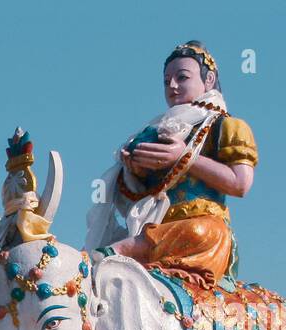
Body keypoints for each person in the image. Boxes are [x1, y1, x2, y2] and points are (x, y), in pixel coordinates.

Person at [85, 41, 258, 288]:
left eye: (182, 77)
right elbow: (141, 198)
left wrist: (184, 157)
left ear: (208, 80)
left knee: (201, 232)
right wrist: (133, 171)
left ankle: (121, 251)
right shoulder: (160, 130)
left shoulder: (226, 126)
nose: (173, 86)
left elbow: (241, 184)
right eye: (167, 81)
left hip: (202, 228)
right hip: (155, 225)